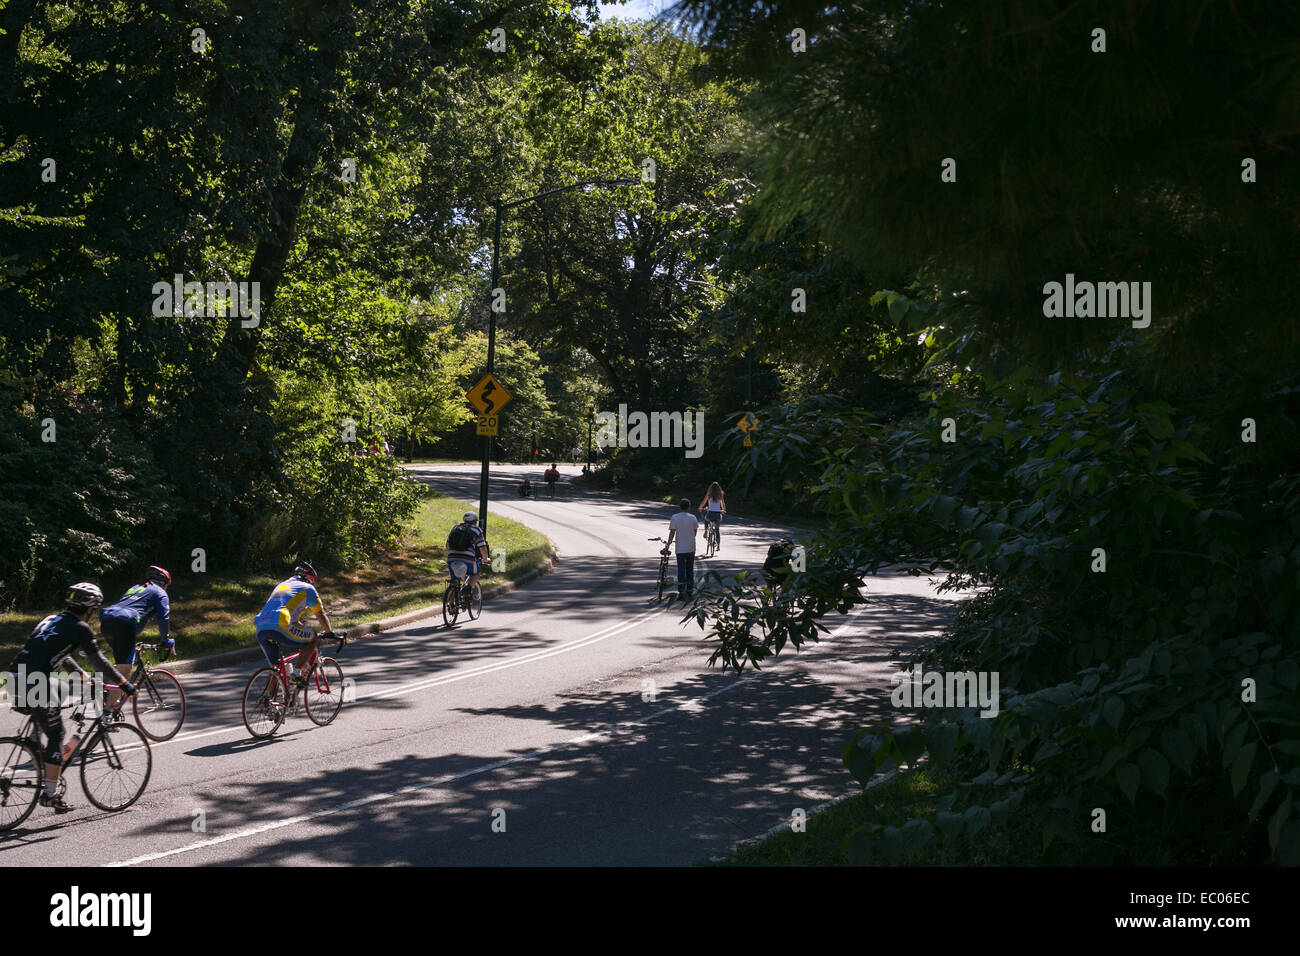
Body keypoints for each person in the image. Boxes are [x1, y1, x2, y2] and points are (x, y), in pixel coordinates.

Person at [8, 583, 135, 813]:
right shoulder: (80, 628)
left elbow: (61, 655)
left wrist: (85, 678)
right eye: (93, 610)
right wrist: (124, 683)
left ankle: (35, 741)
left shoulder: (51, 620)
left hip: (15, 677)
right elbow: (100, 662)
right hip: (33, 682)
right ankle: (49, 794)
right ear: (89, 609)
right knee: (57, 733)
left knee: (61, 694)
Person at [100, 565, 172, 711]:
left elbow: (127, 608)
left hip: (107, 620)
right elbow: (164, 619)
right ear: (163, 583)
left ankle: (103, 688)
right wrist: (167, 641)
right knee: (125, 670)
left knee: (120, 664)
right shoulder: (160, 593)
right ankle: (107, 713)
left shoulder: (136, 587)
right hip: (124, 624)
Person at [253, 563, 334, 683]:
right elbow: (320, 614)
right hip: (280, 624)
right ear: (310, 579)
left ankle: (268, 699)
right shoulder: (308, 588)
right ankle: (296, 673)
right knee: (312, 638)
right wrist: (329, 632)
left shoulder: (282, 585)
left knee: (276, 669)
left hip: (261, 627)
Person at [446, 511, 490, 595]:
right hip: (468, 559)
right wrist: (485, 559)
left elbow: (447, 546)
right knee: (475, 574)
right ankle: (468, 588)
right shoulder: (476, 529)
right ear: (475, 521)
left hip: (452, 558)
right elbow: (482, 547)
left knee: (454, 582)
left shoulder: (455, 528)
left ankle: (450, 604)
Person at [664, 497, 700, 600]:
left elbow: (672, 532)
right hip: (691, 547)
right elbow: (695, 532)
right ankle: (690, 590)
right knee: (690, 569)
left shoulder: (675, 517)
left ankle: (681, 590)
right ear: (689, 507)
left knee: (681, 569)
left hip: (680, 548)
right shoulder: (693, 517)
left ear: (679, 507)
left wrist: (669, 543)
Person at [697, 482, 726, 550]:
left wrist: (700, 507)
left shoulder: (709, 494)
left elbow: (703, 502)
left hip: (710, 514)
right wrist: (723, 510)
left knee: (706, 518)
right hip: (718, 515)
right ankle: (718, 545)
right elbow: (723, 504)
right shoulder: (720, 494)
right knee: (717, 529)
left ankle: (706, 530)